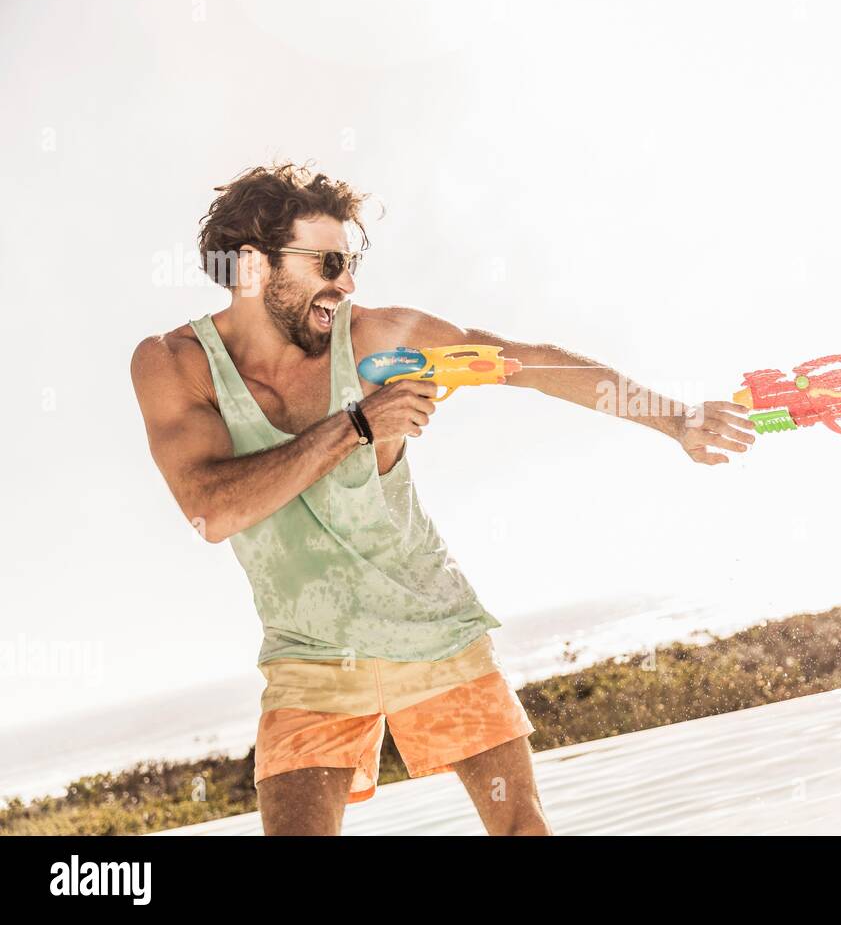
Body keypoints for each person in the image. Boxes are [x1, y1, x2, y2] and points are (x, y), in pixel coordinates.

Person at [130, 163, 754, 835]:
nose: (348, 283)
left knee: (522, 830)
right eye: (331, 262)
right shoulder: (173, 364)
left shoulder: (380, 336)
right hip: (307, 656)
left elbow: (529, 362)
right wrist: (356, 425)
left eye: (353, 262)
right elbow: (212, 510)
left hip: (434, 634)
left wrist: (677, 420)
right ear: (251, 268)